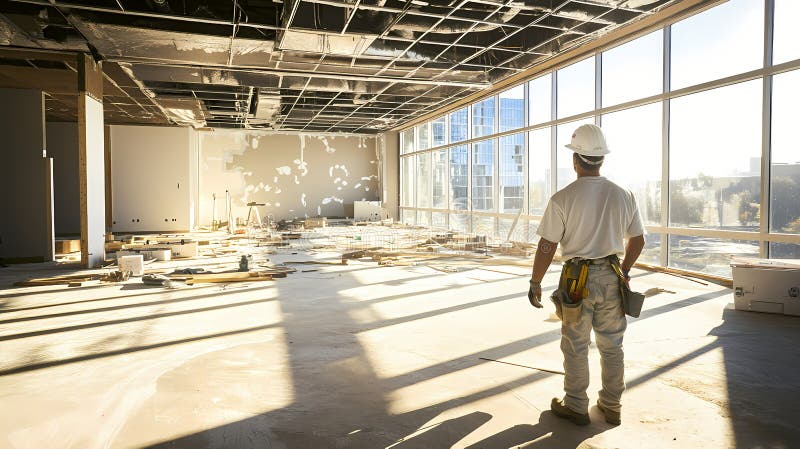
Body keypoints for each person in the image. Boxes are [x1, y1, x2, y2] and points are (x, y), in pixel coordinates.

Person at [527, 123, 645, 426]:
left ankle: (577, 405)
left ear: (575, 159)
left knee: (576, 344)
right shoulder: (624, 194)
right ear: (602, 159)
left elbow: (547, 245)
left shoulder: (563, 198)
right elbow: (639, 239)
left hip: (576, 280)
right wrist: (626, 271)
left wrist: (535, 282)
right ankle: (611, 404)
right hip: (611, 276)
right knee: (612, 344)